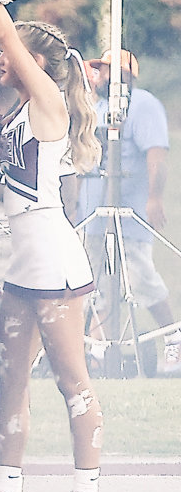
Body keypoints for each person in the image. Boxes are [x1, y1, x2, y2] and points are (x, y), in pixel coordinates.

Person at [0, 5, 105, 492]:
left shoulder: (47, 103)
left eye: (4, 53)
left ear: (31, 60)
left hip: (53, 258)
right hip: (23, 264)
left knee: (72, 380)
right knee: (10, 378)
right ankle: (8, 488)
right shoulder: (15, 111)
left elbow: (5, 33)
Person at [75, 50, 179, 372]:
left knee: (141, 278)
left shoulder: (143, 103)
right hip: (94, 215)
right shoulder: (99, 107)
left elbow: (156, 153)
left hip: (129, 214)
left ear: (125, 75)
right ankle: (101, 350)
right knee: (94, 284)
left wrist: (154, 198)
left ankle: (173, 338)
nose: (101, 76)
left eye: (106, 70)